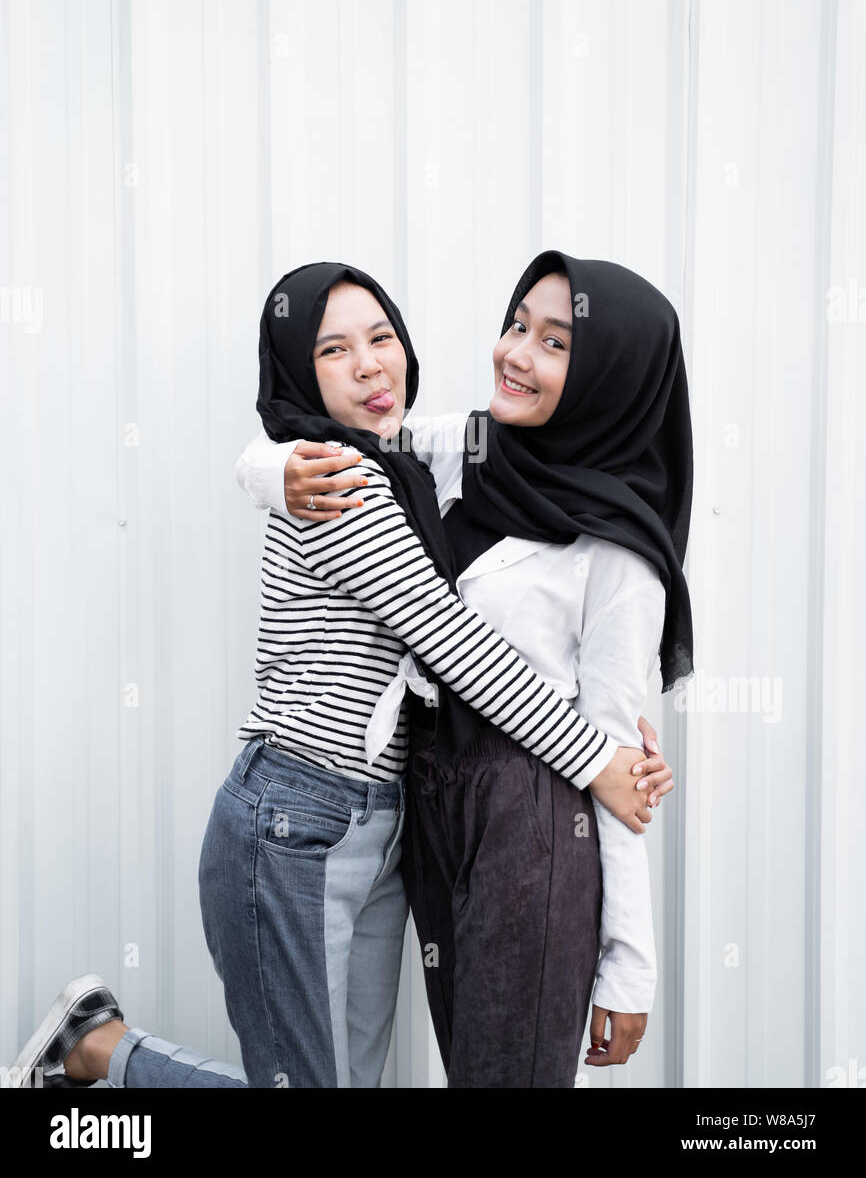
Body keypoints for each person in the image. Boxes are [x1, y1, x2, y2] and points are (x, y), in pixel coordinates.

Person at [8, 261, 662, 1092]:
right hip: (296, 812)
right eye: (333, 350)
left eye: (382, 337)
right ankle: (103, 1052)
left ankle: (96, 1043)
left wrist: (611, 724)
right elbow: (447, 637)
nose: (368, 364)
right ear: (298, 374)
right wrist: (595, 757)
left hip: (382, 826)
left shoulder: (418, 460)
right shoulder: (339, 478)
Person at [235, 250, 692, 1087]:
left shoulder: (620, 557)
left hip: (537, 816)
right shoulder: (467, 448)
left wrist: (630, 967)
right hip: (429, 808)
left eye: (556, 344)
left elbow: (618, 768)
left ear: (610, 376)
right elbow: (337, 436)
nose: (516, 353)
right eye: (517, 324)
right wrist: (271, 471)